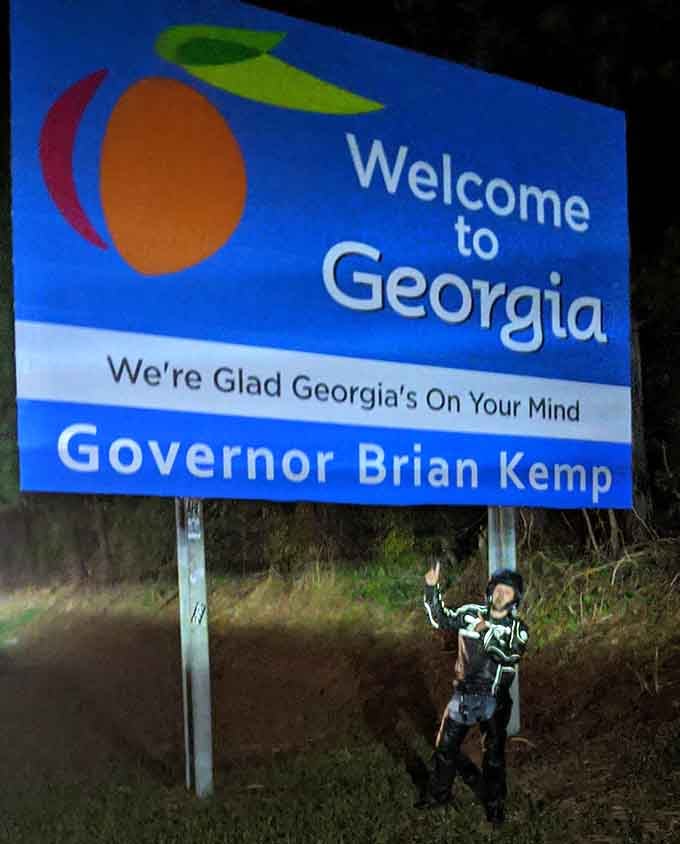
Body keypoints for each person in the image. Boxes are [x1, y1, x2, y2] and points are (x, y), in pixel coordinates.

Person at [416, 560, 529, 826]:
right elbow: (439, 619)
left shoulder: (518, 629)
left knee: (494, 756)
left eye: (508, 591)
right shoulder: (470, 612)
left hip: (495, 698)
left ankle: (495, 805)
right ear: (491, 591)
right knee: (445, 748)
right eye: (498, 589)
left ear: (515, 599)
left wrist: (486, 632)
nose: (501, 594)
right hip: (463, 695)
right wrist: (431, 589)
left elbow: (509, 655)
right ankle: (439, 795)